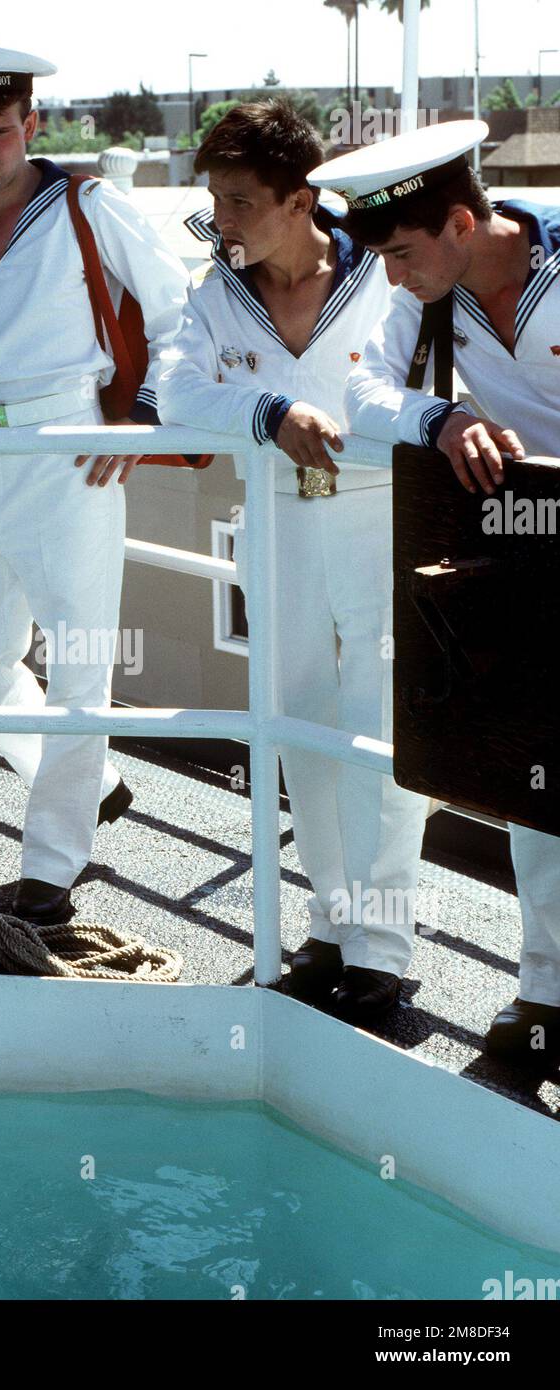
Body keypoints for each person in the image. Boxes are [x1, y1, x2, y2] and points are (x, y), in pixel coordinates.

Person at [0, 41, 189, 923]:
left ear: (31, 125)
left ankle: (50, 865)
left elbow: (179, 314)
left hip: (74, 453)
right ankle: (85, 779)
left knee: (79, 666)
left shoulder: (88, 207)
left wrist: (145, 413)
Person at [158, 101, 429, 1021]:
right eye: (215, 199)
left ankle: (383, 946)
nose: (220, 218)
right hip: (275, 515)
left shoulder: (383, 275)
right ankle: (331, 920)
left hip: (378, 512)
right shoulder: (215, 288)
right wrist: (267, 414)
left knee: (380, 735)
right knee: (298, 722)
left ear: (299, 198)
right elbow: (173, 392)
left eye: (237, 200)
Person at [309, 119, 560, 1065]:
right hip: (537, 551)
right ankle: (546, 995)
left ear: (462, 222)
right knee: (537, 779)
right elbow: (361, 392)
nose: (394, 277)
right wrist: (442, 416)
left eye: (405, 254)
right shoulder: (424, 290)